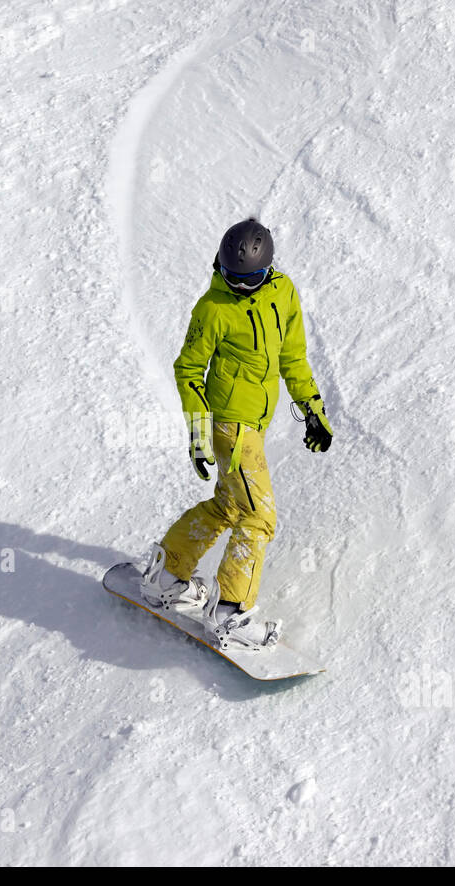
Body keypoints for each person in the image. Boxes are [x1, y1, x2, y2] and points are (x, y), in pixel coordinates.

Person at [139, 218, 332, 647]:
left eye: (254, 279)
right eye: (234, 279)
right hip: (230, 426)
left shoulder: (282, 293)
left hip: (255, 426)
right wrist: (199, 433)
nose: (243, 287)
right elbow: (188, 370)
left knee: (229, 506)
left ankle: (167, 574)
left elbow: (294, 358)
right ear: (221, 268)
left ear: (270, 269)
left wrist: (313, 411)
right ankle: (230, 611)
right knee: (259, 517)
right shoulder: (213, 308)